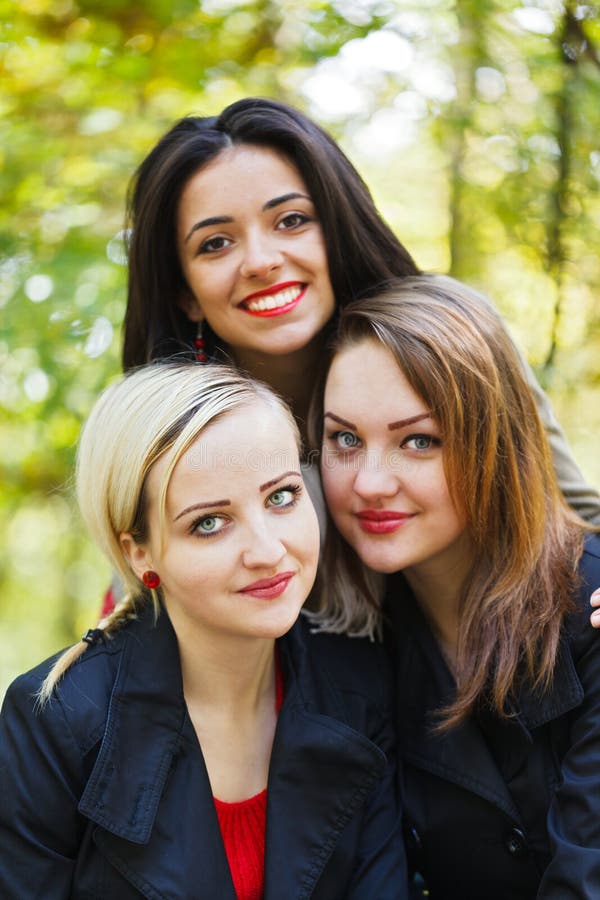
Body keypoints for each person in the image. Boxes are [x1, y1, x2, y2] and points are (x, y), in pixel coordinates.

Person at [0, 363, 408, 899]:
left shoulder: (356, 694)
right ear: (138, 552)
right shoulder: (55, 724)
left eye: (281, 497)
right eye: (209, 523)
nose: (267, 551)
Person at [120, 96, 599, 518]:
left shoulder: (451, 335)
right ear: (185, 293)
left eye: (291, 220)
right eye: (217, 243)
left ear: (337, 229)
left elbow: (571, 512)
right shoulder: (168, 433)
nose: (261, 262)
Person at [312, 275, 600, 898]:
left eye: (418, 440)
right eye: (345, 439)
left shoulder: (593, 610)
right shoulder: (355, 653)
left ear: (495, 443)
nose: (369, 482)